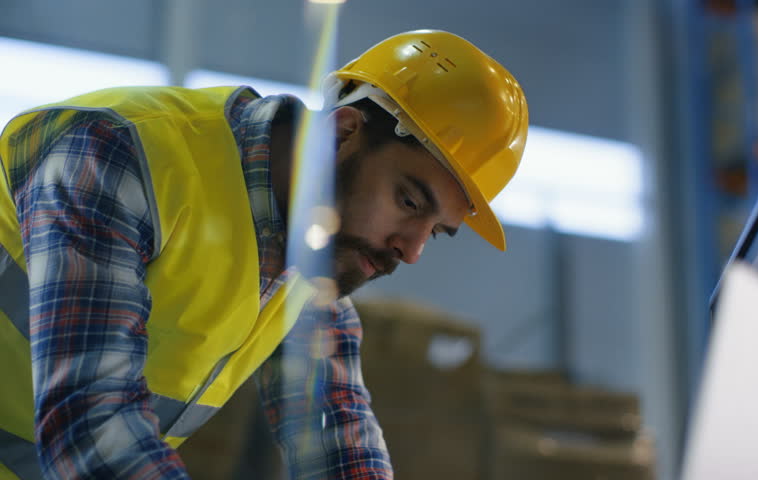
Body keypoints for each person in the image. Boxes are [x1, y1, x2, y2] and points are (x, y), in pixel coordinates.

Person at [0, 29, 528, 479]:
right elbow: (91, 427)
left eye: (435, 232)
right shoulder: (120, 156)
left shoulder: (314, 261)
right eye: (409, 202)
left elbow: (338, 442)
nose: (410, 251)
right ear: (343, 134)